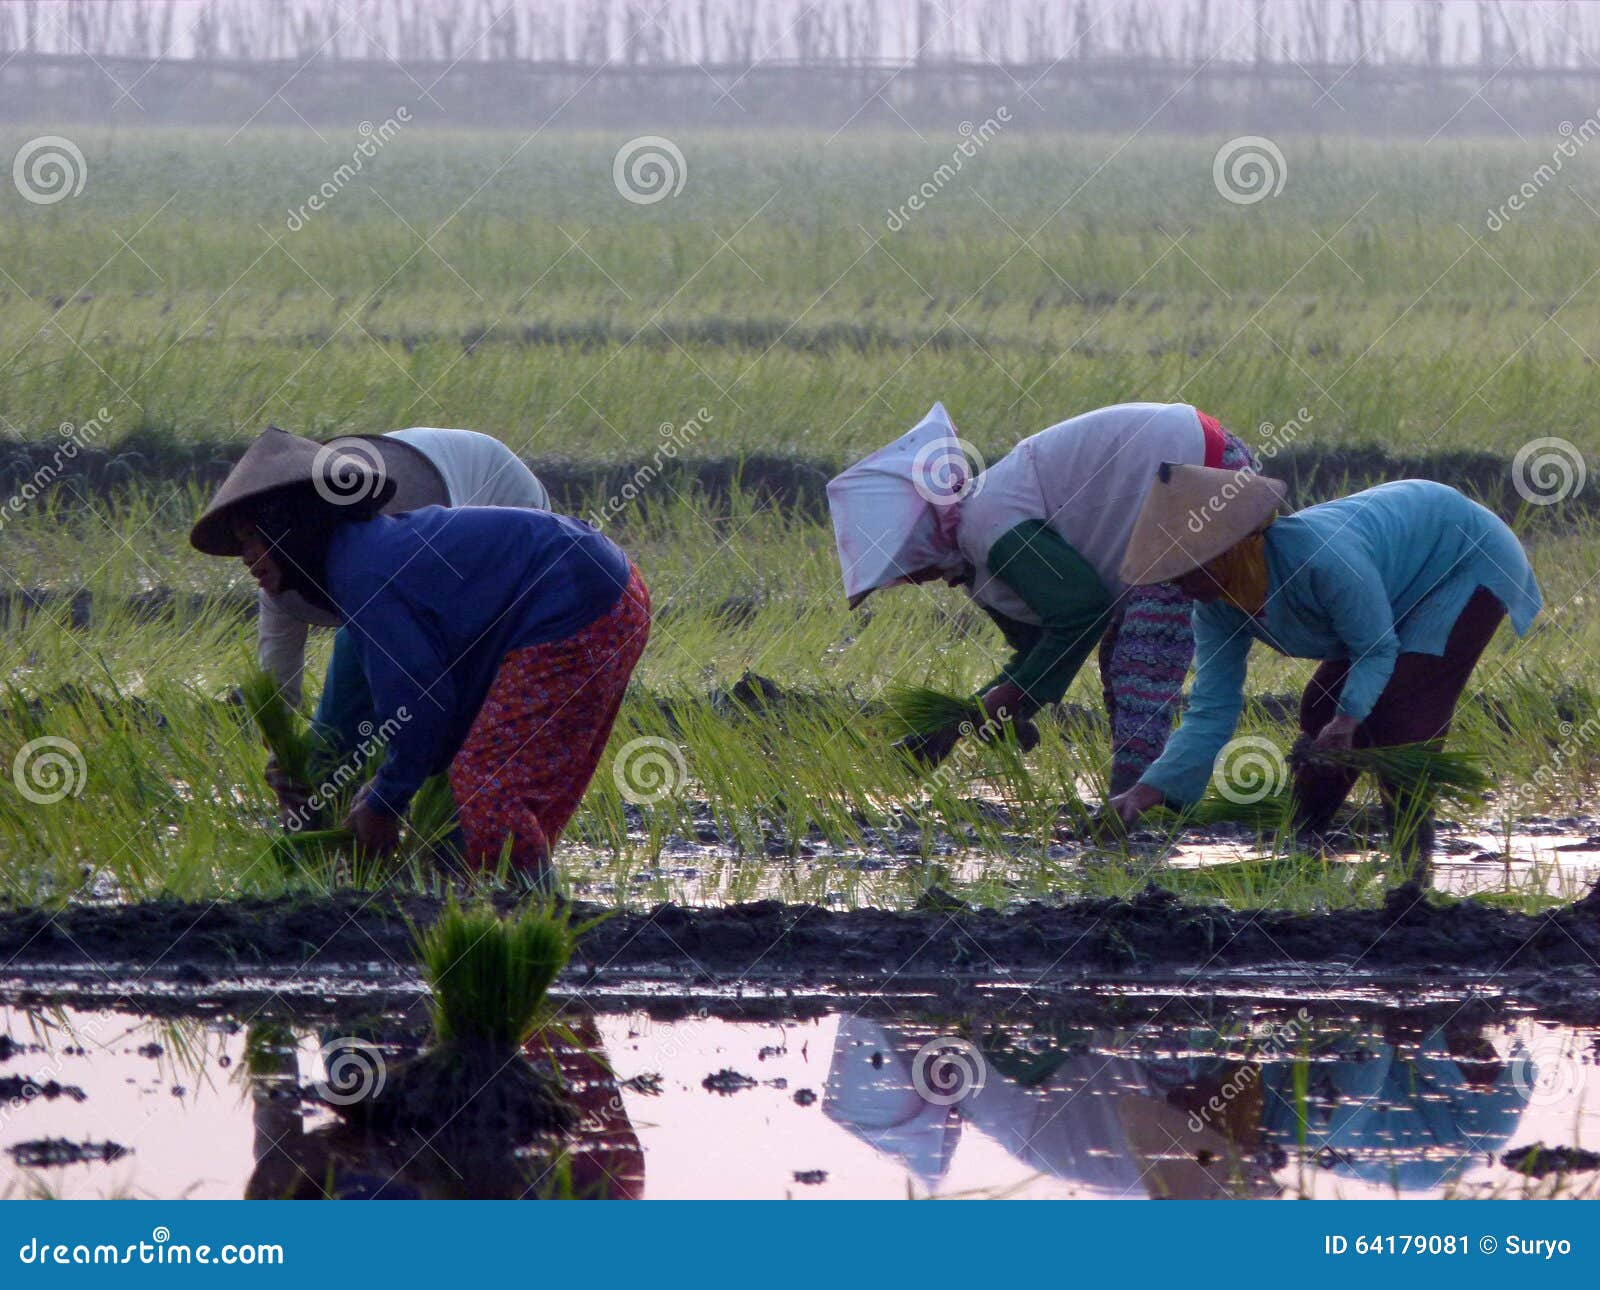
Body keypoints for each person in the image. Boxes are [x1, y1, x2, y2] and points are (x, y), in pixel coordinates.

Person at [191, 427, 649, 882]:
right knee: (498, 792)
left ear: (287, 528)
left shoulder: (366, 575)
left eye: (251, 538)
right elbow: (438, 706)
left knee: (487, 791)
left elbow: (420, 703)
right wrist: (384, 788)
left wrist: (385, 801)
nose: (245, 557)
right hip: (600, 589)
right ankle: (513, 907)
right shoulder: (359, 560)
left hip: (578, 600)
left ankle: (528, 913)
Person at [1106, 466, 1542, 884]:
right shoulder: (1217, 609)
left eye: (1185, 569)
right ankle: (1303, 840)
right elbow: (1211, 710)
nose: (1178, 585)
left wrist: (1349, 719)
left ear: (1226, 549)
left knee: (1401, 715)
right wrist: (1148, 790)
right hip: (1397, 580)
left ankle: (1411, 863)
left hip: (1463, 556)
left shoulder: (1321, 560)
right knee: (1320, 709)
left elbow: (1375, 648)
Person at [828, 401, 1258, 790]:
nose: (909, 581)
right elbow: (1037, 650)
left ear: (919, 541)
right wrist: (960, 725)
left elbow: (1083, 613)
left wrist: (1010, 699)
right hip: (1181, 478)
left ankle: (1135, 802)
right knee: (1125, 659)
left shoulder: (989, 527)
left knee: (1140, 662)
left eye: (901, 570)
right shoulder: (975, 553)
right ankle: (1134, 796)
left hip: (1196, 478)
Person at [251, 426, 550, 820]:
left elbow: (415, 678)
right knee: (364, 694)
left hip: (499, 501)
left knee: (462, 700)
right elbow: (278, 673)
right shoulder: (277, 564)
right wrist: (283, 756)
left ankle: (444, 824)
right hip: (410, 517)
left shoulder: (377, 550)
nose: (250, 561)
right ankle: (342, 807)